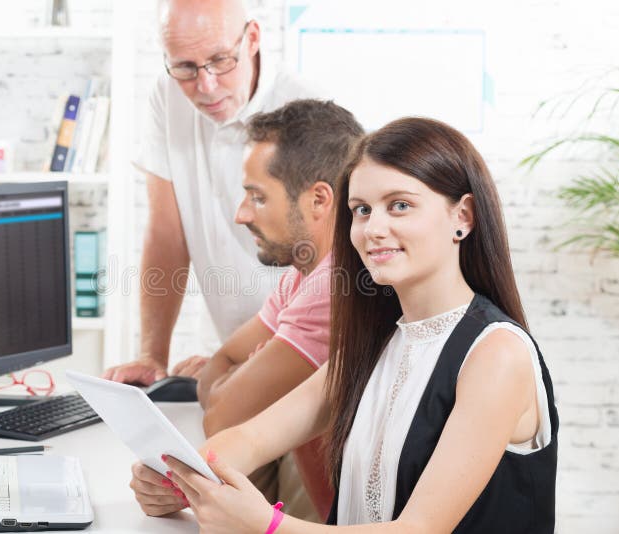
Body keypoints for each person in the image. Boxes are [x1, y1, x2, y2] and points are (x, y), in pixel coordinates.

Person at [154, 117, 559, 532]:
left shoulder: (497, 354)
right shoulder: (373, 347)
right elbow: (252, 438)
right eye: (362, 210)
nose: (373, 229)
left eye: (399, 205)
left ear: (464, 216)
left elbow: (418, 529)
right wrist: (174, 475)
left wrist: (266, 525)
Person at [129, 99, 365, 521]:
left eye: (257, 197)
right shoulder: (303, 276)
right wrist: (242, 373)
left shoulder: (333, 286)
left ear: (319, 199)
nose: (241, 215)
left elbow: (221, 415)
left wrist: (239, 376)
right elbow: (221, 363)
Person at [102, 0, 318, 385]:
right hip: (227, 348)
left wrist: (248, 365)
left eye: (220, 60)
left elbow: (327, 271)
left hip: (302, 356)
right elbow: (167, 233)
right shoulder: (167, 95)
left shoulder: (309, 113)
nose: (206, 86)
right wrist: (153, 356)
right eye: (185, 67)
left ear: (252, 39)